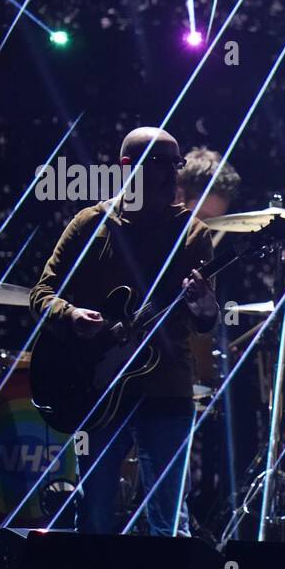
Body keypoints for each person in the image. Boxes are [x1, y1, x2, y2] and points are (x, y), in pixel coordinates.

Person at [29, 127, 219, 535]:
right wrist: (71, 314)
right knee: (94, 514)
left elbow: (204, 319)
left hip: (166, 388)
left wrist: (204, 305)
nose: (172, 174)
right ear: (127, 168)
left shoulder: (192, 232)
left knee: (168, 521)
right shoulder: (90, 224)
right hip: (97, 387)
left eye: (176, 164)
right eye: (160, 164)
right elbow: (42, 293)